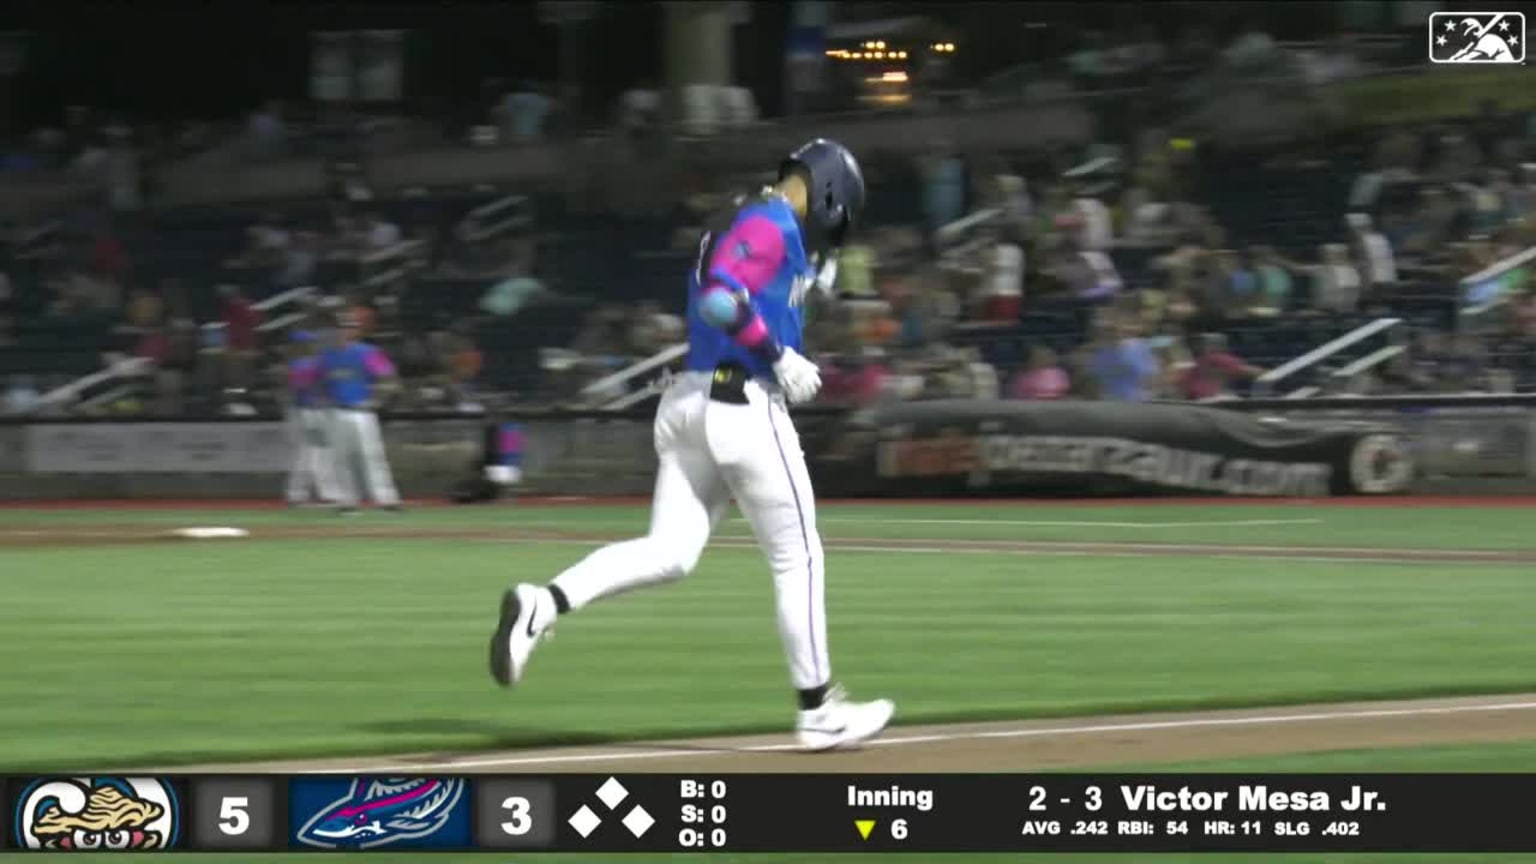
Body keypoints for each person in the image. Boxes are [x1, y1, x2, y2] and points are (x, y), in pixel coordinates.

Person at [488, 139, 895, 751]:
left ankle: (542, 604)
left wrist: (809, 281)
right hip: (742, 401)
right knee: (798, 557)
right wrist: (779, 355)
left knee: (670, 552)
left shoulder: (748, 215)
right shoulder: (771, 220)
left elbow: (746, 281)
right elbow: (721, 297)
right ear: (831, 193)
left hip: (688, 402)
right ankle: (818, 711)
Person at [319, 314, 402, 514]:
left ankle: (387, 500)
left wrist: (378, 400)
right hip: (337, 411)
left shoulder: (368, 352)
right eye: (343, 327)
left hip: (362, 411)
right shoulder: (327, 356)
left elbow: (389, 377)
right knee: (341, 458)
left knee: (372, 456)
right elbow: (320, 383)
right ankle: (347, 502)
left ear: (357, 330)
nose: (347, 330)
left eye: (351, 326)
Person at [283, 331, 340, 507]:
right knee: (313, 454)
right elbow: (303, 388)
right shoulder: (302, 364)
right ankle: (316, 494)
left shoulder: (300, 363)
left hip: (306, 412)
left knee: (309, 454)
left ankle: (299, 494)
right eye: (307, 343)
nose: (311, 346)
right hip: (309, 413)